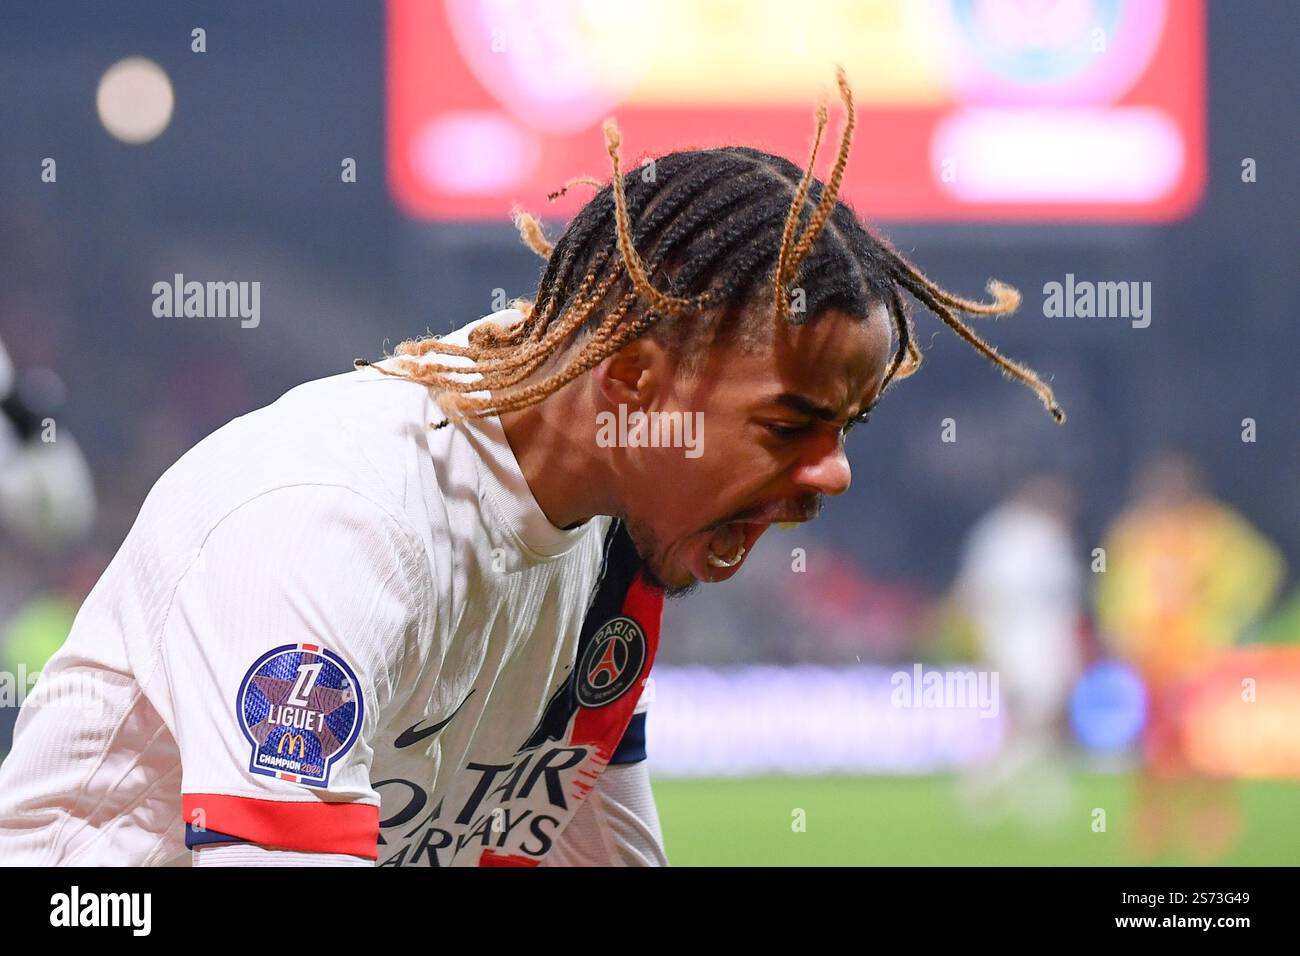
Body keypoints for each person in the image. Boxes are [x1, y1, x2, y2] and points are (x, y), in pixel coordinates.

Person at [0, 68, 1062, 866]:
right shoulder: (334, 518)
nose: (830, 477)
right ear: (638, 383)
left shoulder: (615, 539)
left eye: (846, 429)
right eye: (791, 424)